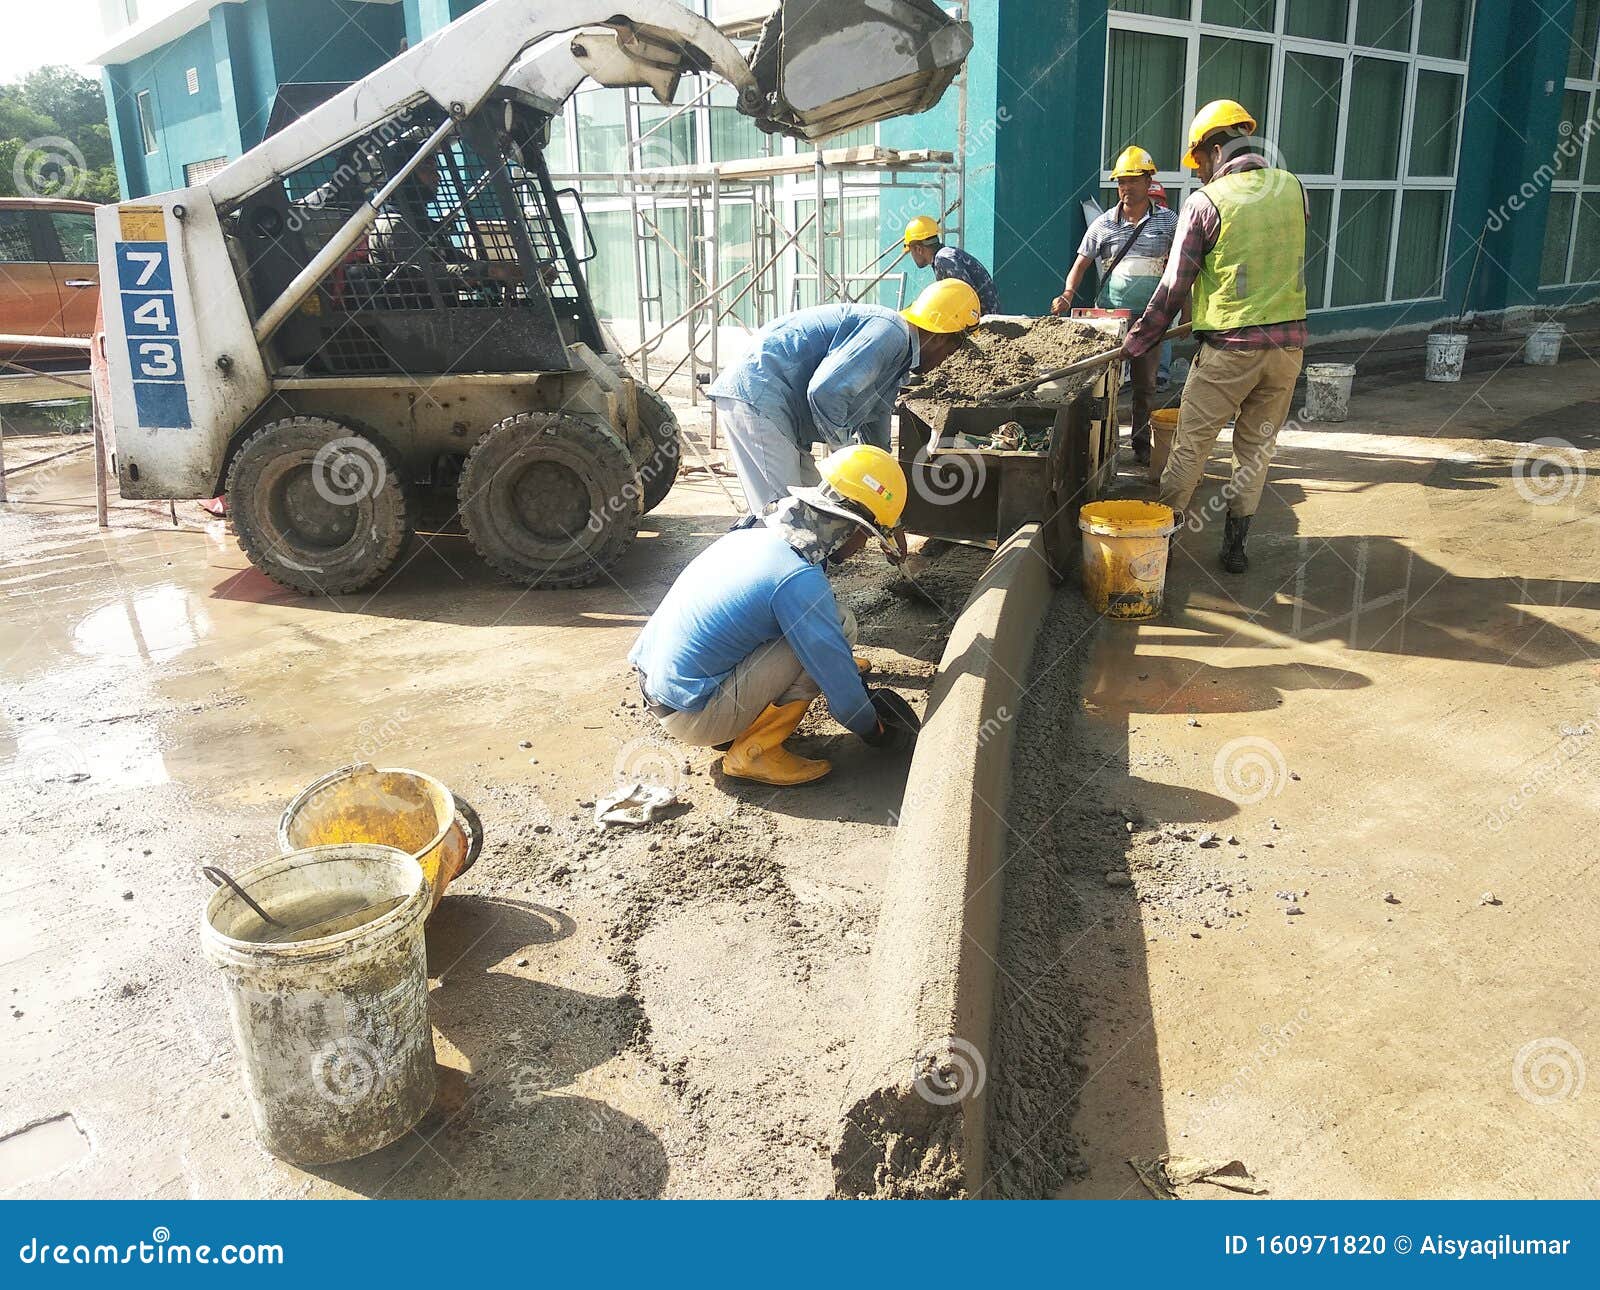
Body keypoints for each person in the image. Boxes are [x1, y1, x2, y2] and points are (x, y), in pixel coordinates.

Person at [629, 445, 917, 787]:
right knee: (826, 640)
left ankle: (746, 716)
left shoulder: (760, 533)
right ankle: (753, 752)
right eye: (868, 538)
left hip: (662, 686)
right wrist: (877, 729)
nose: (864, 547)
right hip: (692, 715)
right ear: (852, 528)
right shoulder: (797, 579)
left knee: (830, 624)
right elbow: (847, 707)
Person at [1121, 100, 1308, 574]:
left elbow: (1173, 287)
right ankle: (1235, 549)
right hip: (1287, 350)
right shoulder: (1295, 190)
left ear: (1217, 149)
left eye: (1201, 161)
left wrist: (1137, 342)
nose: (1201, 173)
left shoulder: (1207, 203)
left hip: (1230, 350)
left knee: (1191, 445)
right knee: (1255, 449)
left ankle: (1158, 549)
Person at [707, 280, 980, 516]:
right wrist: (849, 459)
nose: (946, 362)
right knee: (785, 516)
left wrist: (889, 509)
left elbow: (876, 433)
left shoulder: (898, 361)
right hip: (760, 395)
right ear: (941, 337)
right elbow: (827, 392)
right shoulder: (891, 332)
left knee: (816, 509)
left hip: (780, 409)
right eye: (951, 351)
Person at [1051, 146, 1179, 466]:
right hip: (1110, 317)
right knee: (1102, 386)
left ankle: (1140, 444)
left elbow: (1182, 265)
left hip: (1150, 318)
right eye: (1121, 181)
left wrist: (1185, 308)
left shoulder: (1168, 221)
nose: (1125, 187)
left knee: (1145, 387)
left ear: (1149, 181)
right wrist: (1068, 294)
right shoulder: (1105, 224)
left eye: (1132, 180)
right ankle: (1101, 446)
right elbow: (1081, 264)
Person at [903, 216, 998, 316]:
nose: (912, 256)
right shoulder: (945, 256)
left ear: (919, 249)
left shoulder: (943, 260)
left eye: (911, 251)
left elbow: (967, 299)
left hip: (983, 324)